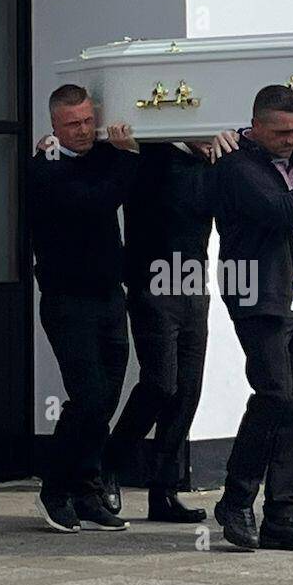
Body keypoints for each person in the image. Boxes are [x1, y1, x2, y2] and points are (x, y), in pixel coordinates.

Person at [209, 85, 293, 551]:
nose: (290, 140)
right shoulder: (236, 165)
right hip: (260, 296)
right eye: (281, 132)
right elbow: (284, 212)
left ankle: (283, 512)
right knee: (275, 394)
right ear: (255, 125)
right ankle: (237, 498)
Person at [102, 132, 236, 523]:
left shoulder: (208, 163)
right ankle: (108, 464)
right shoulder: (148, 154)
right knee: (161, 383)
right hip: (152, 284)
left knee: (187, 392)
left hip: (193, 284)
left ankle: (164, 491)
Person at [28, 84, 140, 533]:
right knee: (89, 396)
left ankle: (87, 487)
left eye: (88, 120)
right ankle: (54, 489)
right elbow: (97, 201)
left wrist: (122, 151)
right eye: (72, 124)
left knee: (107, 398)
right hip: (67, 301)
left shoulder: (99, 154)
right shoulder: (46, 167)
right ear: (53, 126)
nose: (83, 130)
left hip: (110, 295)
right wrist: (126, 156)